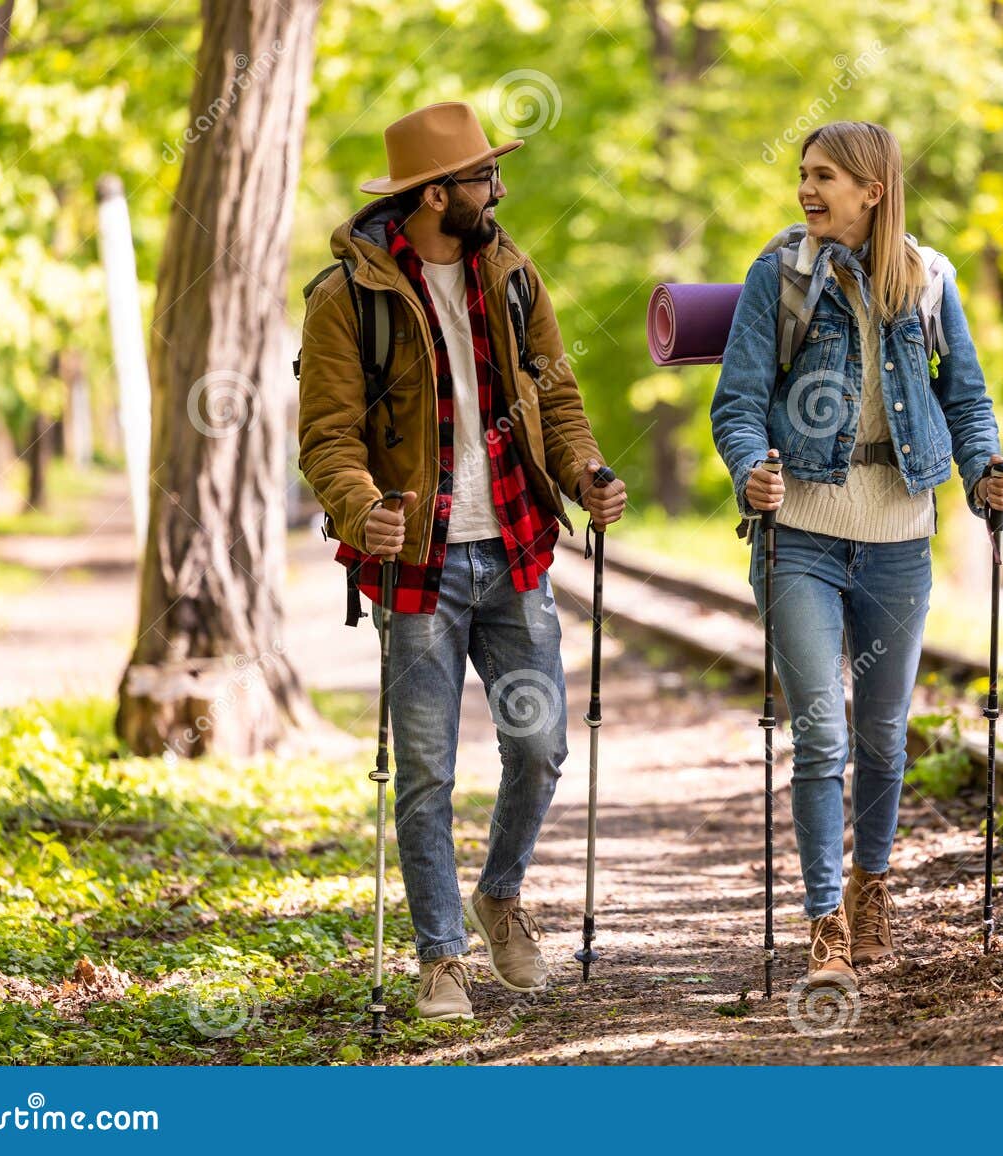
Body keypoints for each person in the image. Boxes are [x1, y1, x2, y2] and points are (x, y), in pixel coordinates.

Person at [297, 101, 627, 1022]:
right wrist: (364, 512)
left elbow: (556, 399)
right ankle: (440, 956)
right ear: (437, 193)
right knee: (428, 773)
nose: (499, 189)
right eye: (484, 177)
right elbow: (327, 437)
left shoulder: (513, 275)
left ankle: (500, 895)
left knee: (542, 746)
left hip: (516, 547)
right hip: (422, 569)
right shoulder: (348, 299)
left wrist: (586, 472)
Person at [710, 120, 1003, 995]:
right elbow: (734, 404)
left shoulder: (927, 283)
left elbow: (968, 402)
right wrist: (750, 470)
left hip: (897, 541)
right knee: (822, 733)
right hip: (799, 536)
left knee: (883, 739)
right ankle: (824, 919)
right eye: (803, 175)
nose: (807, 191)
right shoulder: (779, 275)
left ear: (872, 190)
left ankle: (872, 885)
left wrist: (986, 473)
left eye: (826, 177)